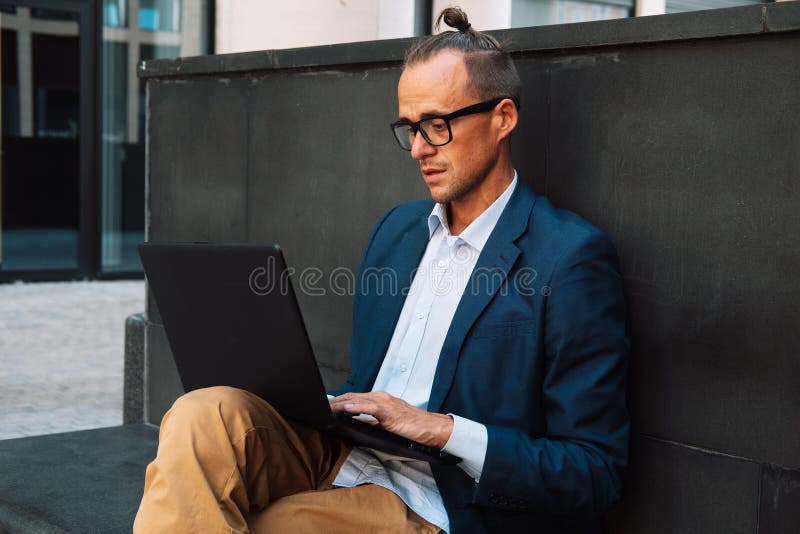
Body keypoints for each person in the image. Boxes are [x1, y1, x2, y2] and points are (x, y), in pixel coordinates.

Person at [134, 7, 629, 534]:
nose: (418, 149)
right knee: (201, 414)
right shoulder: (396, 231)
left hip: (441, 501)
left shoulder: (569, 258)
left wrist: (440, 429)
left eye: (437, 126)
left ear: (502, 117)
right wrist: (321, 401)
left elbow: (593, 472)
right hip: (342, 457)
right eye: (410, 128)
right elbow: (372, 384)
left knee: (278, 523)